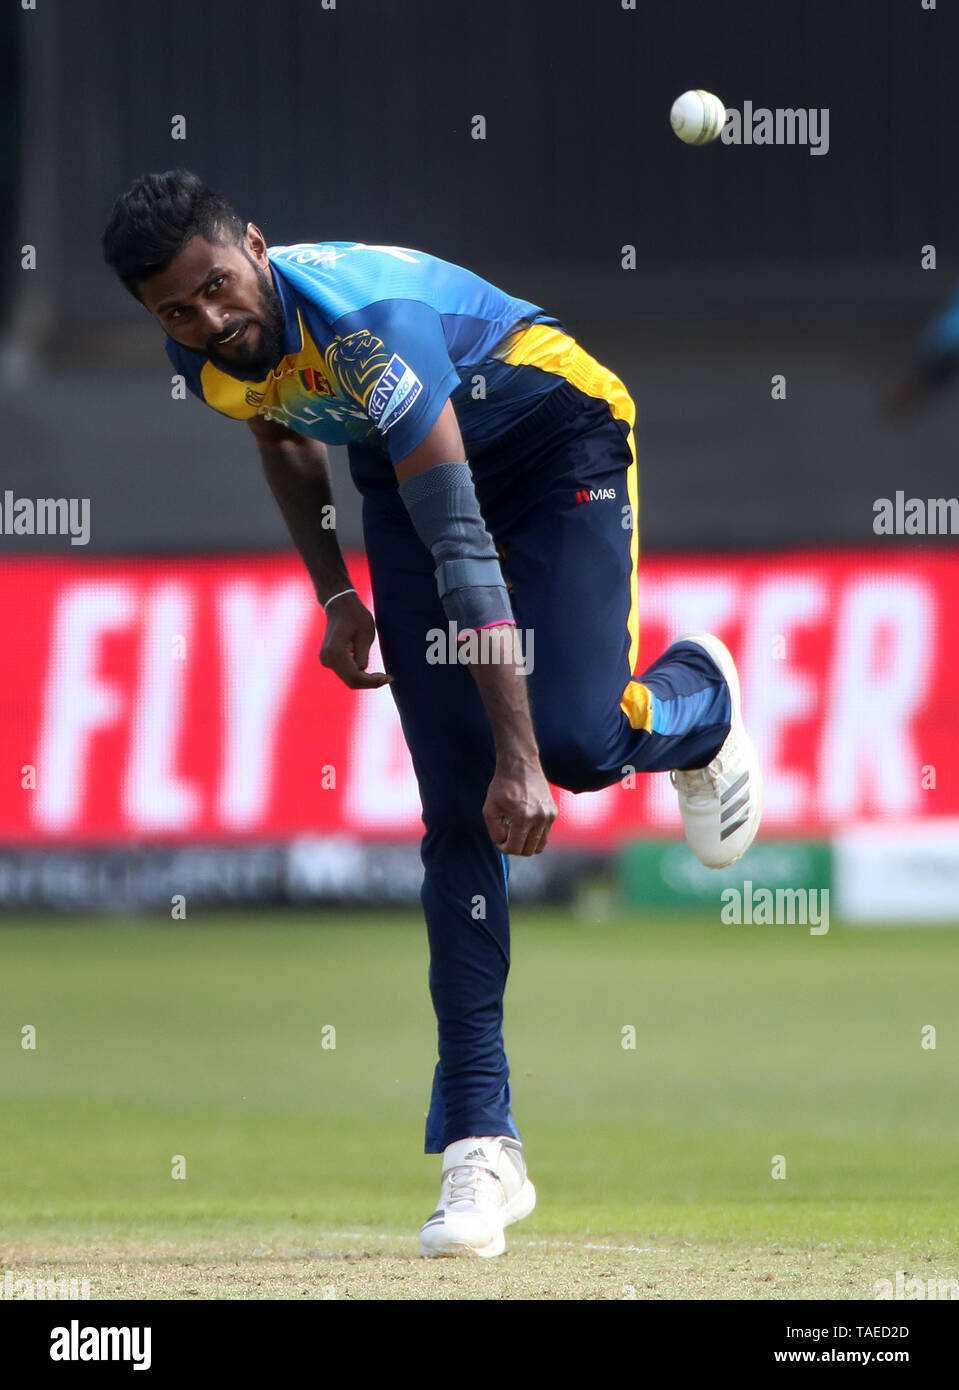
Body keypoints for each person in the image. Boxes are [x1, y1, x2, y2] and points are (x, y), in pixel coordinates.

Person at [102, 169, 763, 1259]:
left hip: (551, 436)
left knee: (568, 745)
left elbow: (462, 544)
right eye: (177, 310)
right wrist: (333, 593)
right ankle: (479, 1148)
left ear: (255, 245)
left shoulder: (366, 328)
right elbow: (278, 433)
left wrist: (521, 760)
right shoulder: (204, 350)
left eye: (219, 287)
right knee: (457, 812)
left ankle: (698, 699)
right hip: (400, 474)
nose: (211, 322)